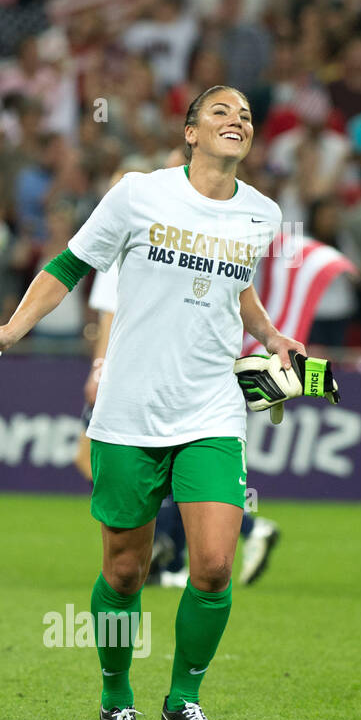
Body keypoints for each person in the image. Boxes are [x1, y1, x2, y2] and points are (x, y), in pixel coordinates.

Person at [0, 86, 305, 720]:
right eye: (220, 112)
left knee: (211, 565)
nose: (237, 120)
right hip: (129, 408)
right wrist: (12, 328)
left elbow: (238, 287)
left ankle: (183, 702)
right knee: (125, 571)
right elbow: (69, 264)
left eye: (245, 115)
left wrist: (271, 337)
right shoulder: (137, 194)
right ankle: (116, 702)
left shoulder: (261, 215)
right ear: (189, 132)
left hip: (211, 408)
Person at [80, 245, 282, 589]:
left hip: (132, 380)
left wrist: (99, 371)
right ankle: (170, 550)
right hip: (172, 376)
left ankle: (169, 548)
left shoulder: (126, 239)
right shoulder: (161, 237)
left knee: (131, 464)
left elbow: (111, 315)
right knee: (170, 469)